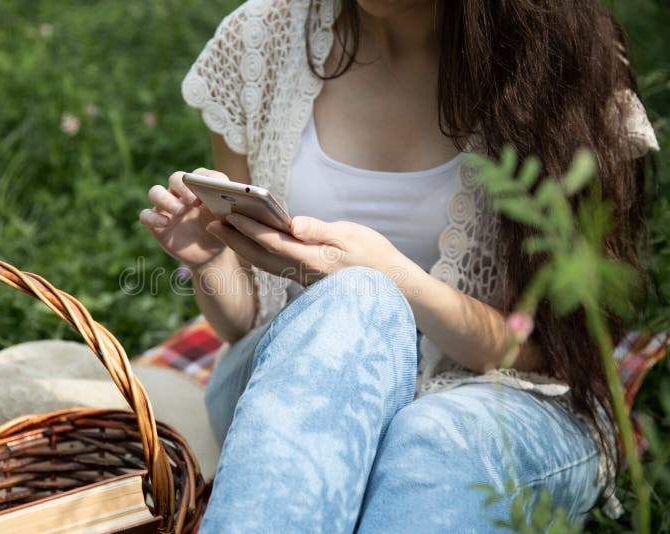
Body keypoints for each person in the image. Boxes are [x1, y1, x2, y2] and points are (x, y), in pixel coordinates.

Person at [140, 0, 659, 531]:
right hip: (295, 380)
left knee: (430, 443)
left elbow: (559, 357)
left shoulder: (562, 58)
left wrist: (396, 278)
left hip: (504, 396)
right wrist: (213, 259)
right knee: (355, 298)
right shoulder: (259, 41)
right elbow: (244, 326)